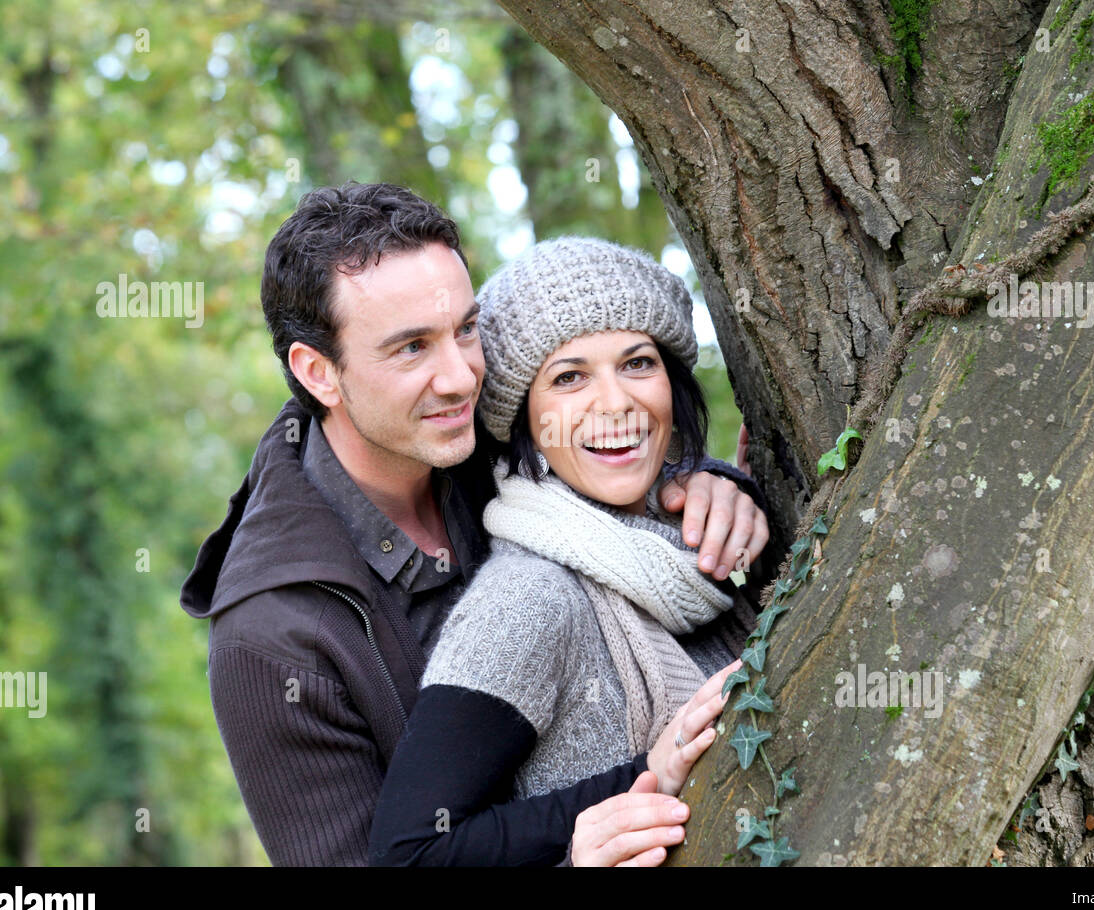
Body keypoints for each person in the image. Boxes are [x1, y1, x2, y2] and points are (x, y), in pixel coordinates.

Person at [179, 183, 772, 866]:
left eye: (465, 330)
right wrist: (593, 823)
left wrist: (711, 486)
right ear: (319, 373)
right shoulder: (272, 638)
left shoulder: (474, 431)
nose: (461, 377)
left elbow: (611, 440)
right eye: (412, 349)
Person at [368, 236, 764, 866]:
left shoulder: (710, 535)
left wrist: (741, 488)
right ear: (521, 417)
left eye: (638, 363)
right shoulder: (527, 599)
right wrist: (643, 780)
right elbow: (410, 853)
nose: (615, 403)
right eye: (569, 376)